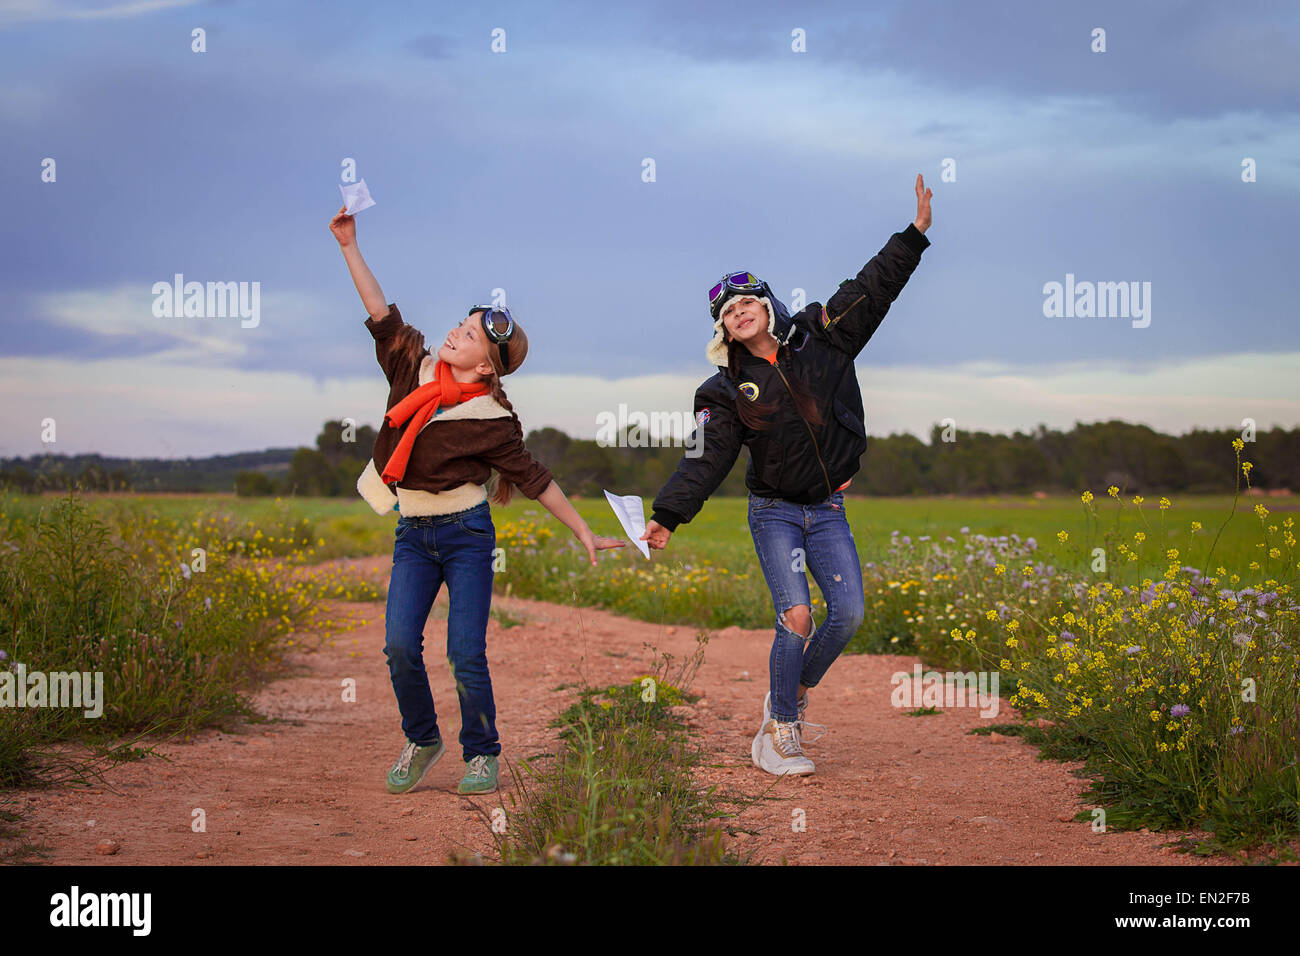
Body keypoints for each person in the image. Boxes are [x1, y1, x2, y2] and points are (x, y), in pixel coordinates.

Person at [640, 175, 934, 776]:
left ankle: (788, 692)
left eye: (747, 301)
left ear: (767, 305)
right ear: (722, 330)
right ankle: (780, 732)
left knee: (847, 615)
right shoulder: (723, 390)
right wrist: (668, 514)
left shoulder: (823, 335)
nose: (739, 312)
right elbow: (706, 456)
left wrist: (914, 236)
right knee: (796, 615)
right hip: (774, 512)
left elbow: (870, 289)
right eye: (727, 311)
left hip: (827, 509)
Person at [329, 205, 624, 796]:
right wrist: (348, 246)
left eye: (466, 336)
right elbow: (380, 312)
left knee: (465, 651)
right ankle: (422, 738)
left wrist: (584, 532)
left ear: (487, 368)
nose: (453, 334)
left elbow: (537, 480)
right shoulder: (411, 368)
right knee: (397, 646)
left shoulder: (491, 419)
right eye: (460, 325)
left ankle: (482, 754)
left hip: (465, 535)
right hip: (412, 535)